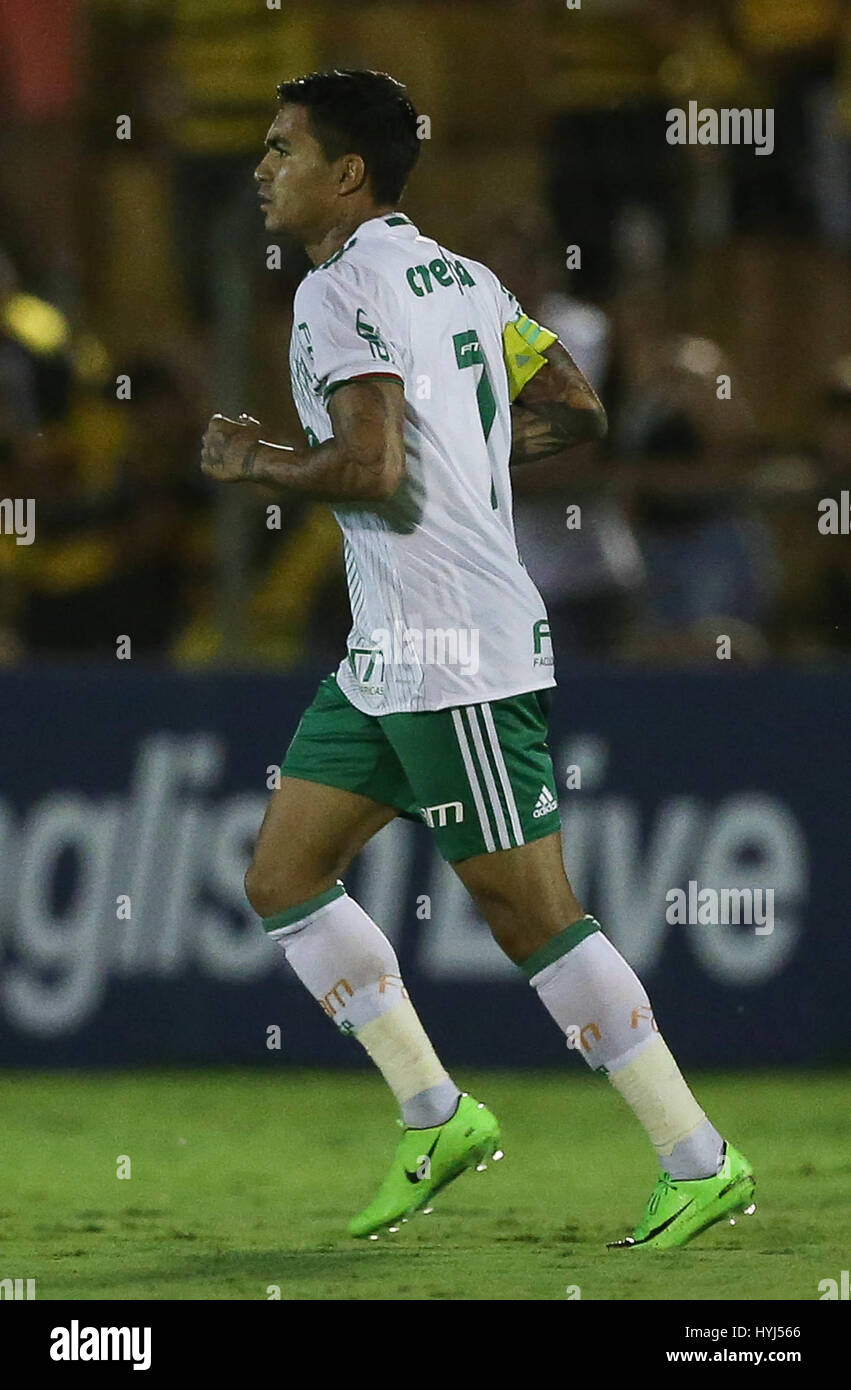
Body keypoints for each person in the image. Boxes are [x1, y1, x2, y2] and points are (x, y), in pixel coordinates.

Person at [199, 68, 755, 1247]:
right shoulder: (461, 275)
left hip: (451, 647)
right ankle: (434, 1110)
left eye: (280, 148)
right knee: (283, 877)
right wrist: (476, 453)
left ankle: (695, 1155)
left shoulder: (336, 287)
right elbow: (574, 405)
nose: (262, 169)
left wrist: (255, 463)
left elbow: (368, 468)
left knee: (527, 912)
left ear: (344, 175)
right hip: (386, 650)